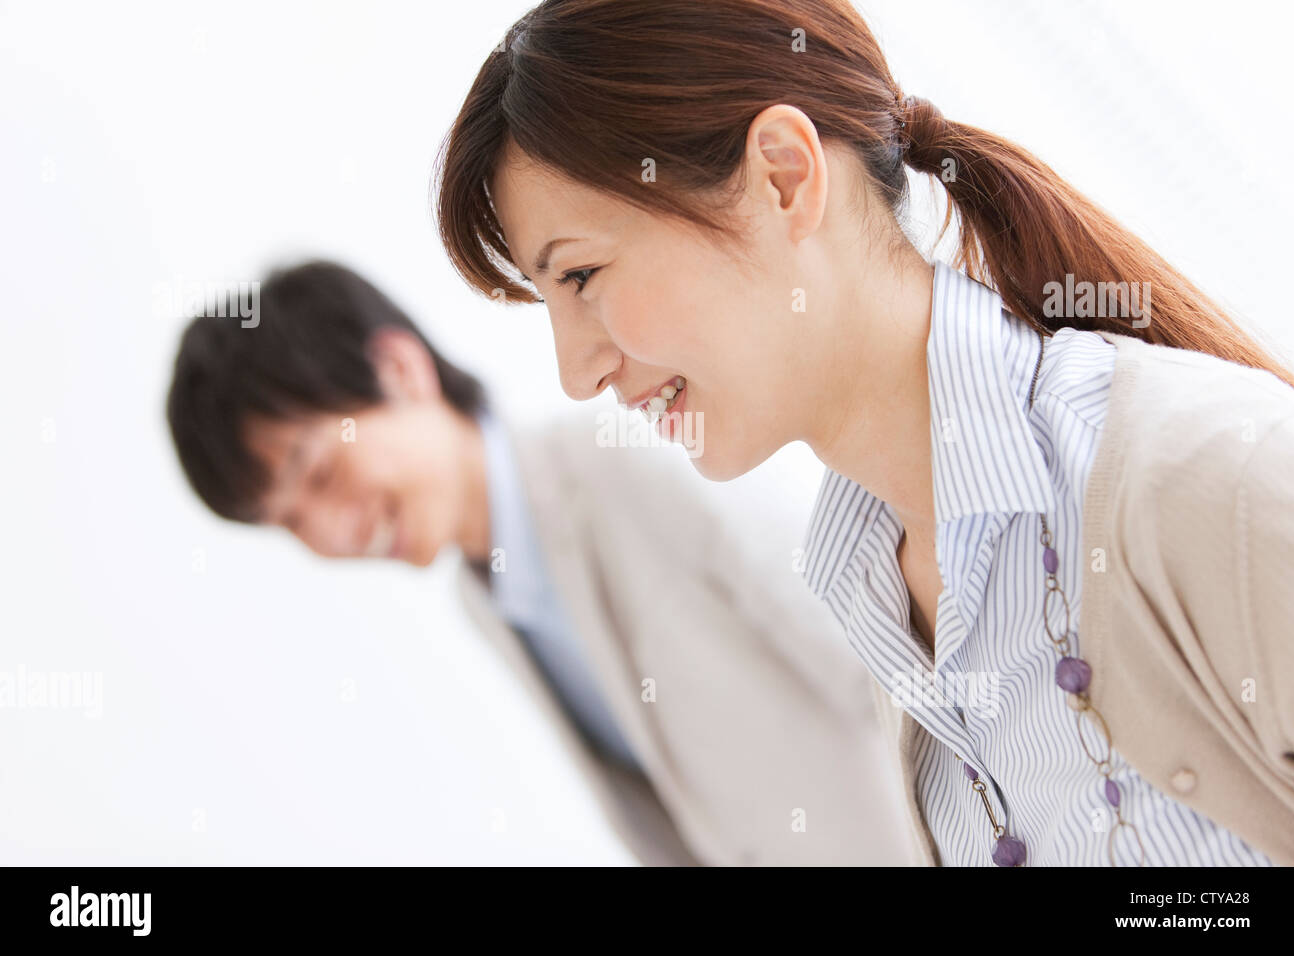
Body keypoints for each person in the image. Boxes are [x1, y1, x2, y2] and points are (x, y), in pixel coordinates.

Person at [433, 0, 1294, 866]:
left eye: (581, 275)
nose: (576, 373)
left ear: (784, 176)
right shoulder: (877, 595)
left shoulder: (1204, 476)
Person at [165, 259, 915, 866]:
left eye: (322, 474)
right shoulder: (484, 598)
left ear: (399, 370)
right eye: (290, 522)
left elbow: (882, 663)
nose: (331, 533)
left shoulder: (623, 461)